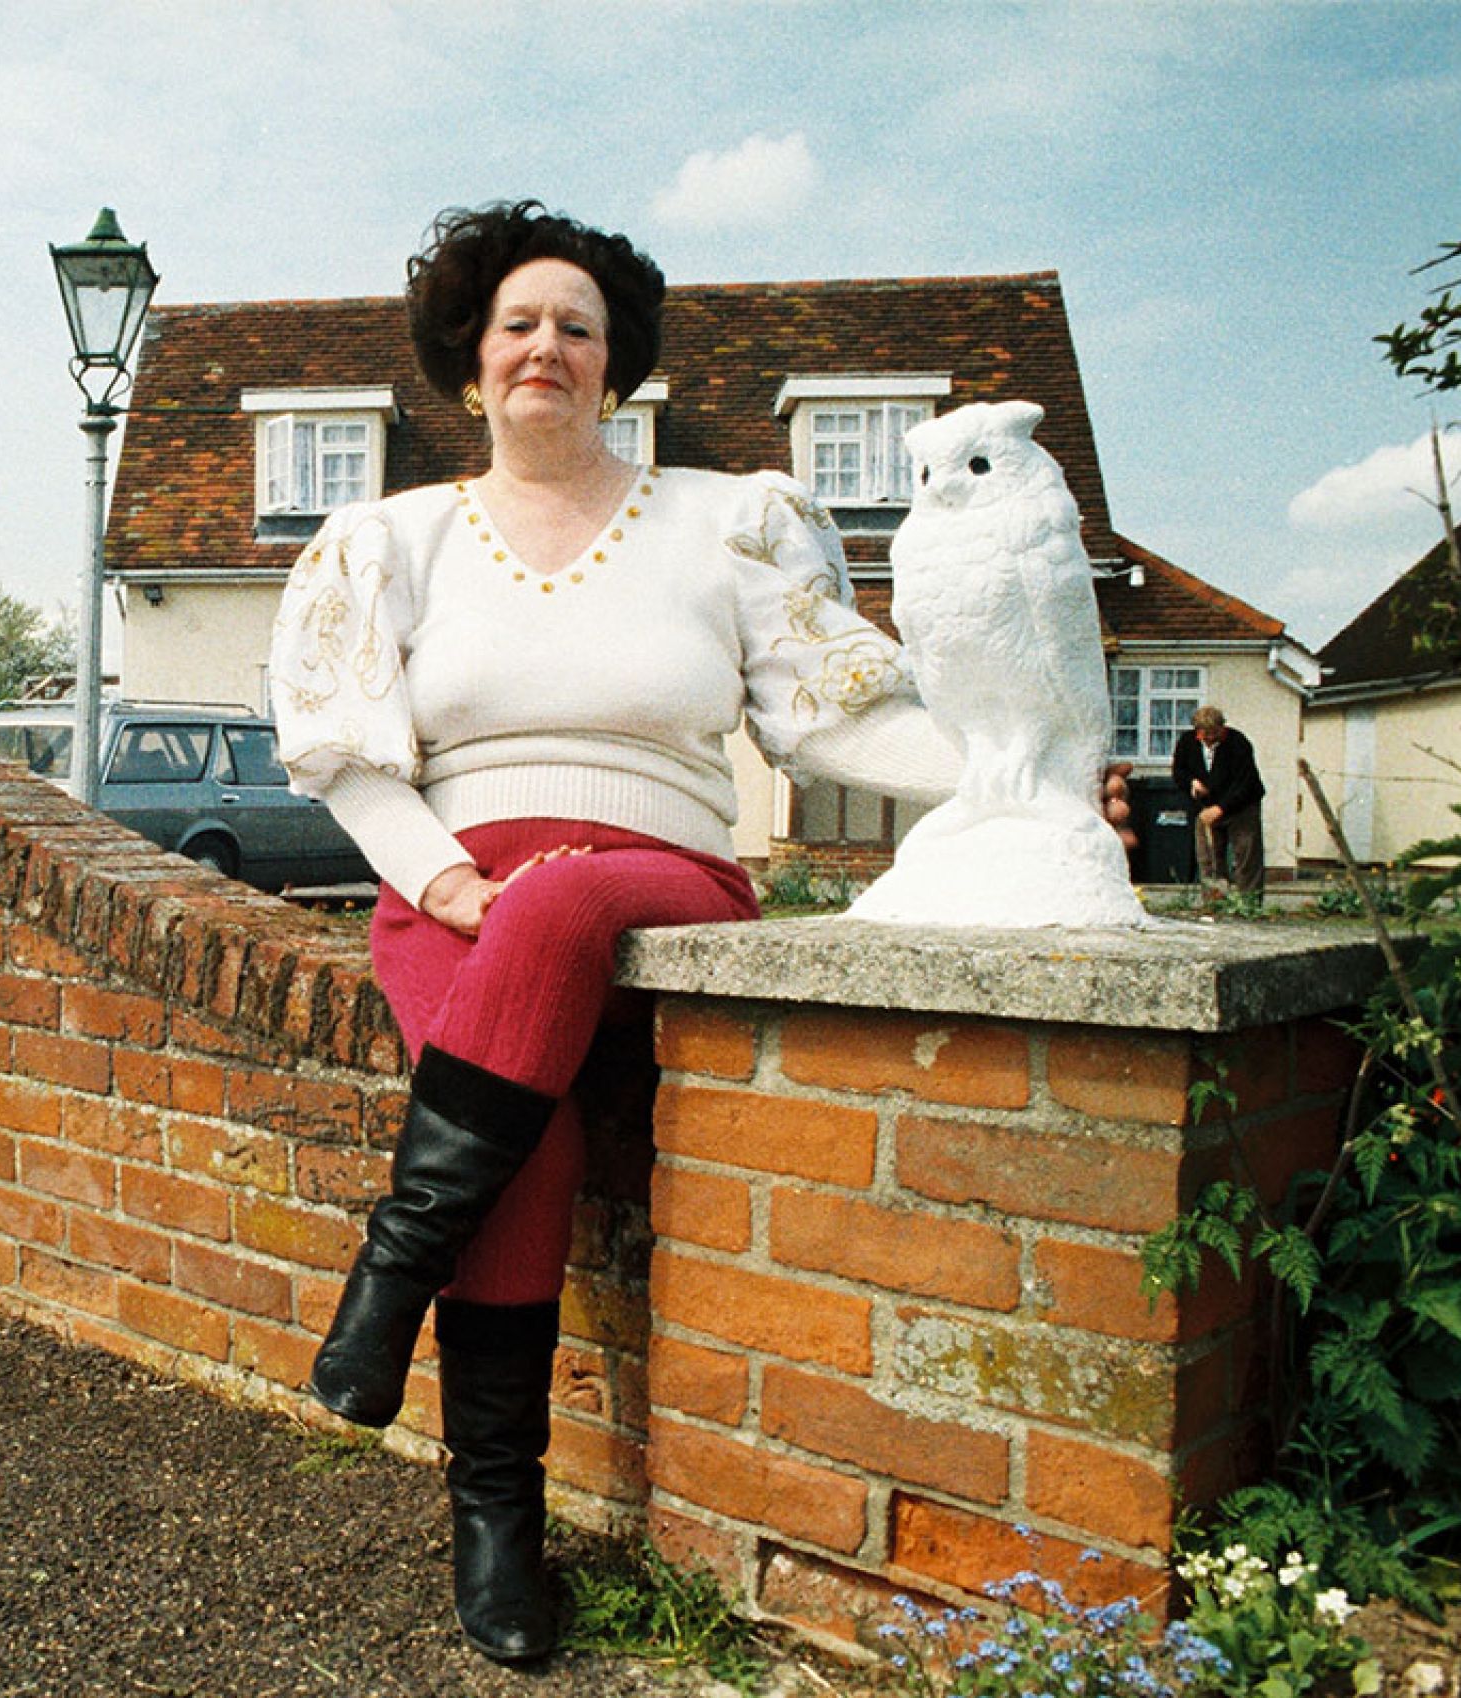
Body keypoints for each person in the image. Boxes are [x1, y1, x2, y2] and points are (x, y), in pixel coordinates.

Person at [266, 201, 966, 1664]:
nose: (546, 348)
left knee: (569, 897)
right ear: (471, 364)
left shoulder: (729, 522)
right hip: (452, 896)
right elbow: (346, 750)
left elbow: (843, 714)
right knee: (544, 1145)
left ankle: (392, 1272)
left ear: (616, 366)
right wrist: (449, 882)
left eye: (577, 328)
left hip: (662, 883)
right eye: (518, 324)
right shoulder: (388, 539)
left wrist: (1011, 770)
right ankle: (496, 1522)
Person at [1170, 705, 1264, 895]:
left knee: (1246, 855)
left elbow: (1245, 783)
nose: (1209, 739)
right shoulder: (1187, 742)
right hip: (1206, 806)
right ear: (1197, 732)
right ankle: (1214, 901)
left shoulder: (1238, 743)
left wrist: (1220, 809)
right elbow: (1179, 771)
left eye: (1214, 734)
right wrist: (1192, 782)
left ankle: (1249, 902)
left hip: (1241, 806)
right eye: (1204, 735)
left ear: (1223, 729)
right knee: (1208, 858)